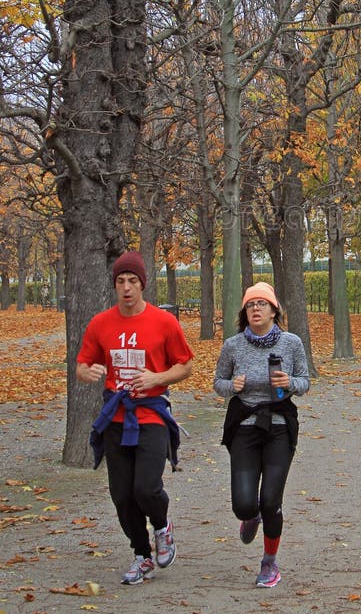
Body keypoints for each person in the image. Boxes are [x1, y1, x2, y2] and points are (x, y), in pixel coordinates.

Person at [76, 250, 194, 585]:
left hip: (151, 415)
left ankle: (162, 527)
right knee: (121, 494)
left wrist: (156, 379)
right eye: (120, 281)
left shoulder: (164, 322)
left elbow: (185, 365)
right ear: (114, 286)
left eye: (132, 281)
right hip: (116, 416)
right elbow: (81, 367)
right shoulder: (101, 324)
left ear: (143, 284)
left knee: (146, 487)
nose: (126, 287)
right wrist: (89, 372)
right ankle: (142, 556)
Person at [214, 281, 310, 588]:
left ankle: (269, 563)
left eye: (262, 304)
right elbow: (218, 382)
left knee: (271, 499)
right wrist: (233, 387)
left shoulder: (291, 343)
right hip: (244, 425)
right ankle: (250, 516)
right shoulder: (232, 346)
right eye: (251, 305)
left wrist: (290, 382)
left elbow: (305, 381)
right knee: (244, 504)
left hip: (280, 425)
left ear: (274, 310)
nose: (256, 309)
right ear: (245, 312)